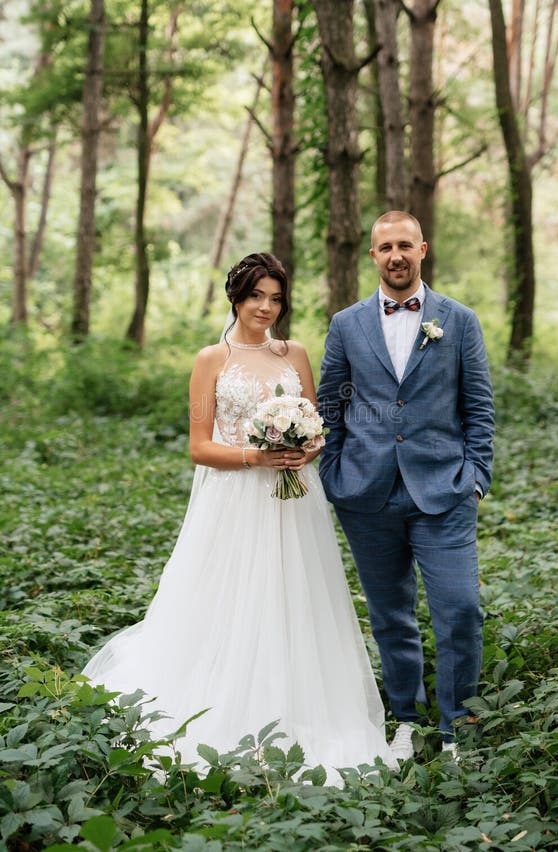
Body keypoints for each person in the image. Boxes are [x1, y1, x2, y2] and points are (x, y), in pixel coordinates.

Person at [83, 252, 397, 783]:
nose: (265, 308)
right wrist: (257, 457)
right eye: (256, 296)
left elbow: (317, 427)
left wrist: (305, 448)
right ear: (236, 297)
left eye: (275, 298)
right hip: (234, 501)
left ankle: (299, 707)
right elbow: (200, 447)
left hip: (294, 502)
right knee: (232, 601)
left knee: (294, 599)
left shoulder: (294, 353)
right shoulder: (212, 359)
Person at [317, 212, 495, 760]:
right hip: (366, 496)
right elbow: (330, 404)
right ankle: (407, 721)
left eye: (405, 245)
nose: (396, 255)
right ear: (372, 255)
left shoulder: (458, 321)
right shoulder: (346, 324)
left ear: (423, 249)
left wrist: (476, 478)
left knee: (460, 609)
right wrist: (334, 475)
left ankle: (457, 727)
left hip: (443, 492)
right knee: (391, 617)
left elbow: (479, 406)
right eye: (385, 247)